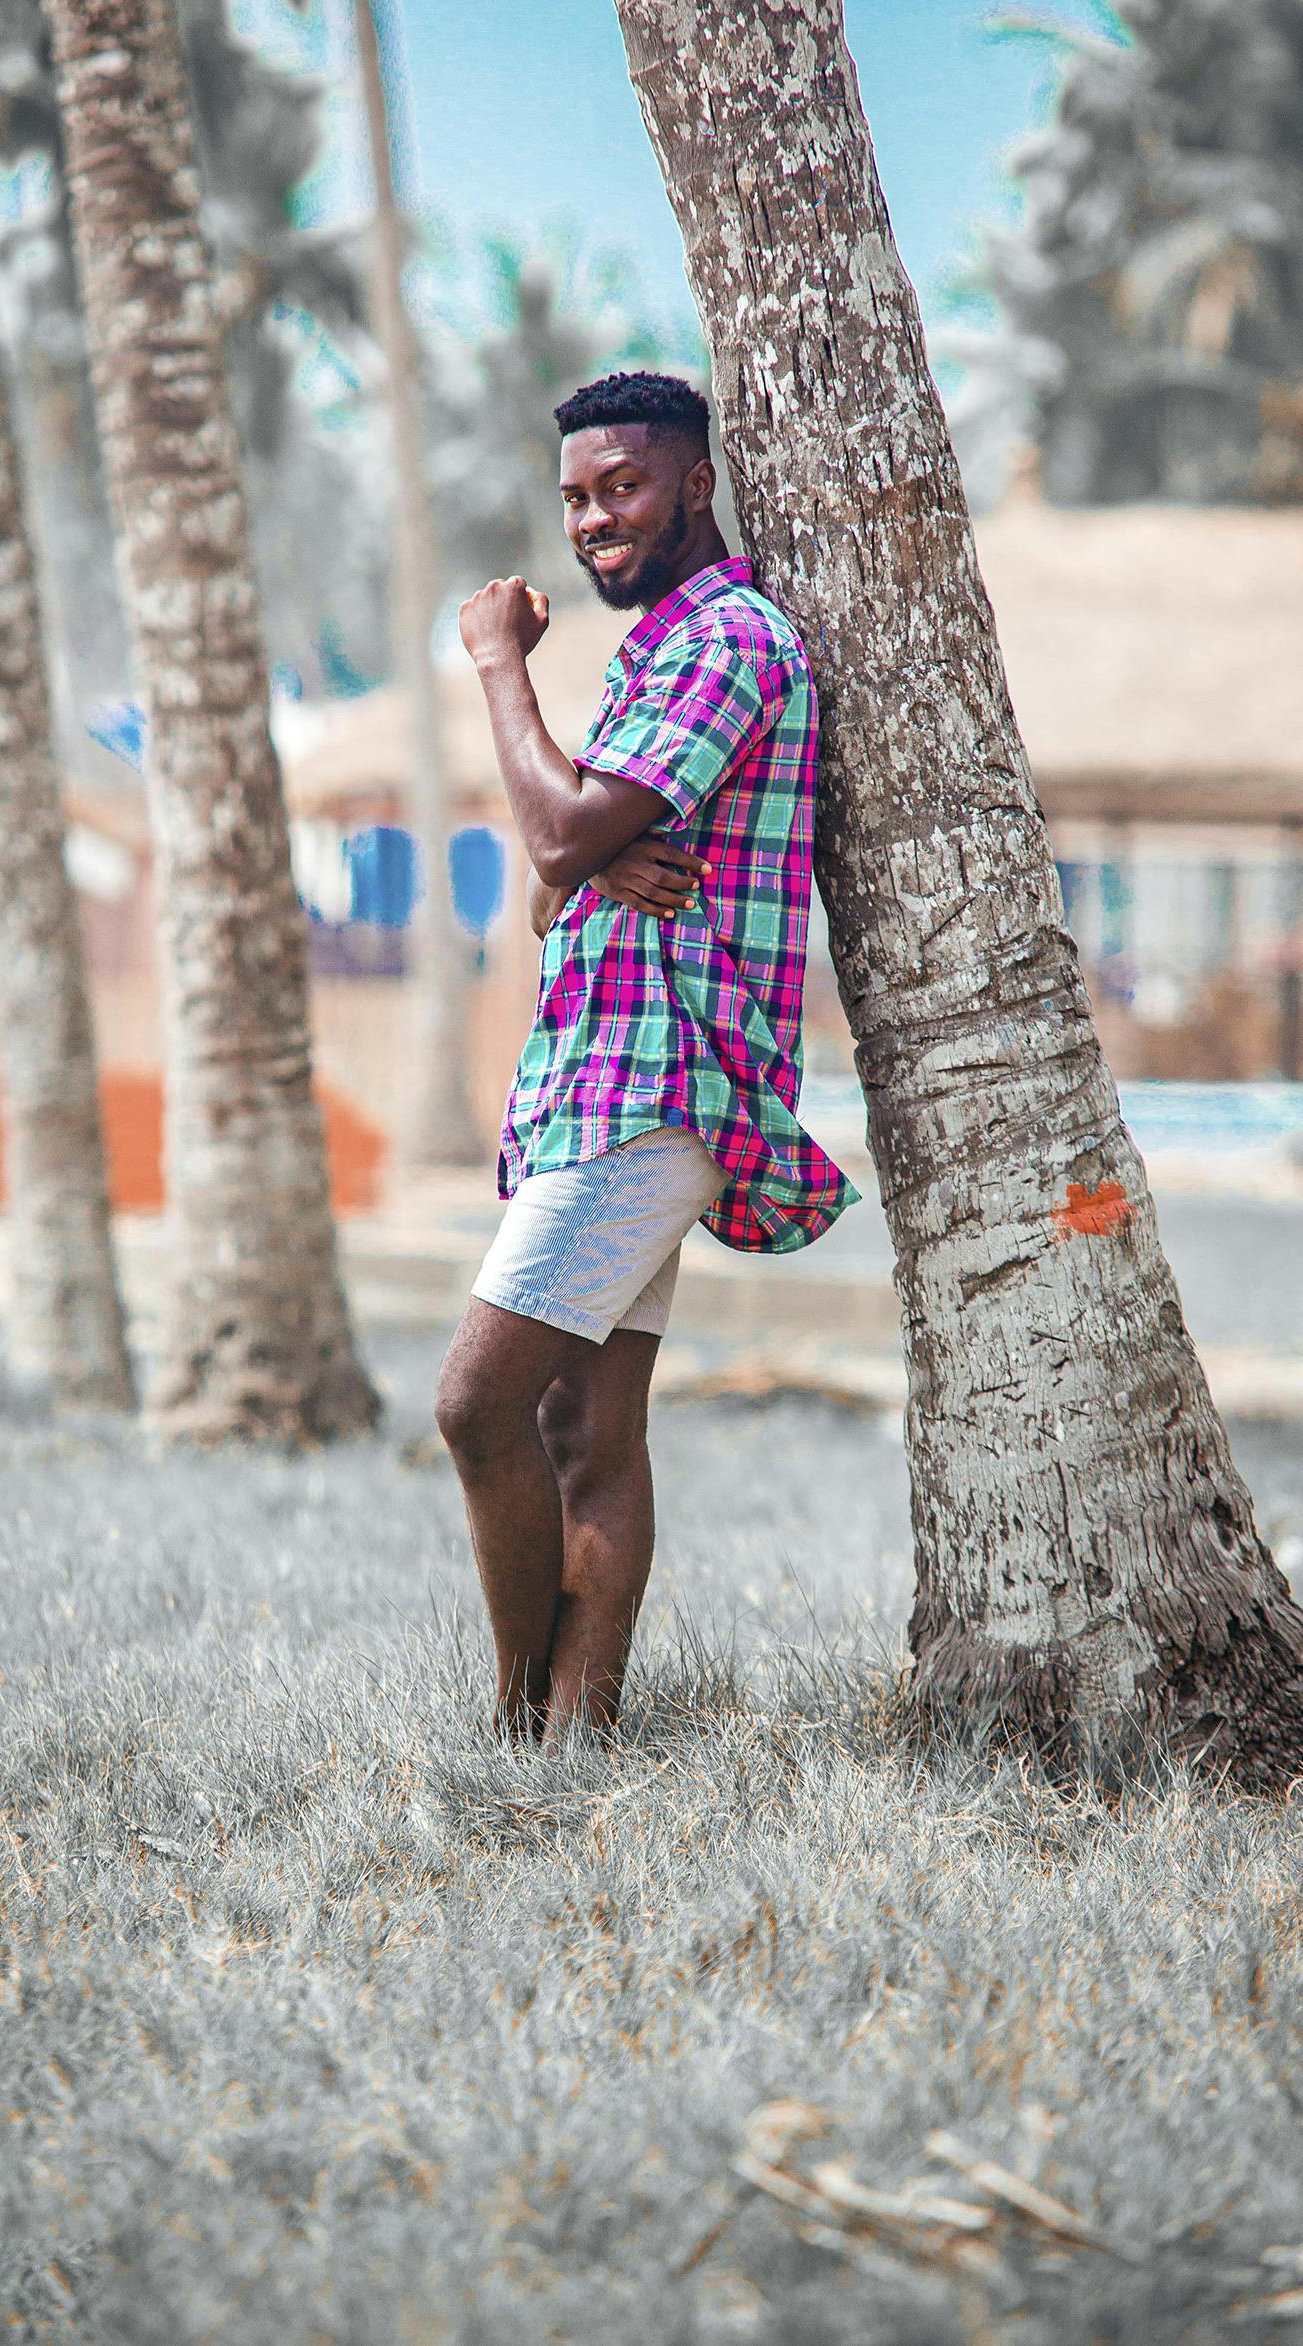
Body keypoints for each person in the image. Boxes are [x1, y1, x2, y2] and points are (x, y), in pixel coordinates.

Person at [435, 370, 858, 1737]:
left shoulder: (727, 640)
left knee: (473, 1405)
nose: (594, 520)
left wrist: (500, 662)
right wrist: (595, 860)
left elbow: (558, 836)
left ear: (694, 483)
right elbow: (564, 878)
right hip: (604, 1071)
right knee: (582, 1436)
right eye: (574, 497)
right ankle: (580, 1731)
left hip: (658, 1079)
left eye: (623, 486)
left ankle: (512, 1726)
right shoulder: (657, 652)